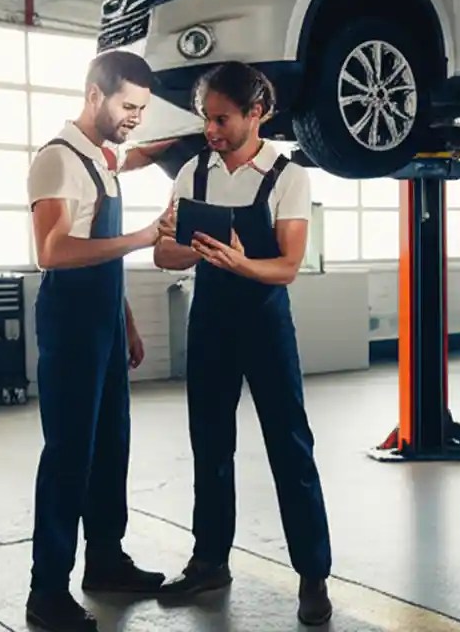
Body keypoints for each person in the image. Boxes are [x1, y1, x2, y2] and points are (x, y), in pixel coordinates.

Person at [152, 61, 333, 625]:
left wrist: (239, 261)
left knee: (290, 447)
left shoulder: (287, 176)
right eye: (206, 118)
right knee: (210, 445)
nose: (212, 129)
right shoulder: (192, 175)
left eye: (223, 118)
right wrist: (199, 252)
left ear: (257, 113)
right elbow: (163, 254)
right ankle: (210, 560)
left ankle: (313, 575)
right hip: (209, 320)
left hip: (264, 320)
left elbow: (287, 266)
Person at [26, 50, 170, 632]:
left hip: (105, 320)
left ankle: (105, 560)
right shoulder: (58, 161)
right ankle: (46, 591)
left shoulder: (103, 159)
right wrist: (141, 237)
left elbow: (99, 245)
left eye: (143, 108)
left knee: (112, 445)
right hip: (70, 321)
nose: (136, 117)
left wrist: (125, 317)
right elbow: (54, 252)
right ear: (94, 96)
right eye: (128, 106)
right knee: (69, 455)